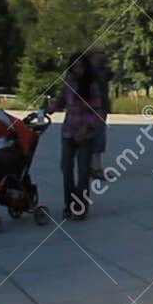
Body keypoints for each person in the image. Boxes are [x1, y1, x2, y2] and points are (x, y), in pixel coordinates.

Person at [47, 57, 105, 220]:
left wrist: (87, 128)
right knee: (66, 168)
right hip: (68, 132)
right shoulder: (68, 84)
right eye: (74, 67)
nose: (77, 70)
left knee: (83, 172)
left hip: (86, 134)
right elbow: (60, 101)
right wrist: (49, 108)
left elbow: (99, 112)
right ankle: (69, 204)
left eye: (80, 67)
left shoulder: (92, 86)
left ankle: (80, 207)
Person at [88, 46, 113, 181]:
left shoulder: (102, 71)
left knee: (98, 138)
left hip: (100, 108)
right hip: (92, 109)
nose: (102, 58)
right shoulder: (90, 73)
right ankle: (94, 168)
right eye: (98, 55)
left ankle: (94, 166)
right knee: (96, 138)